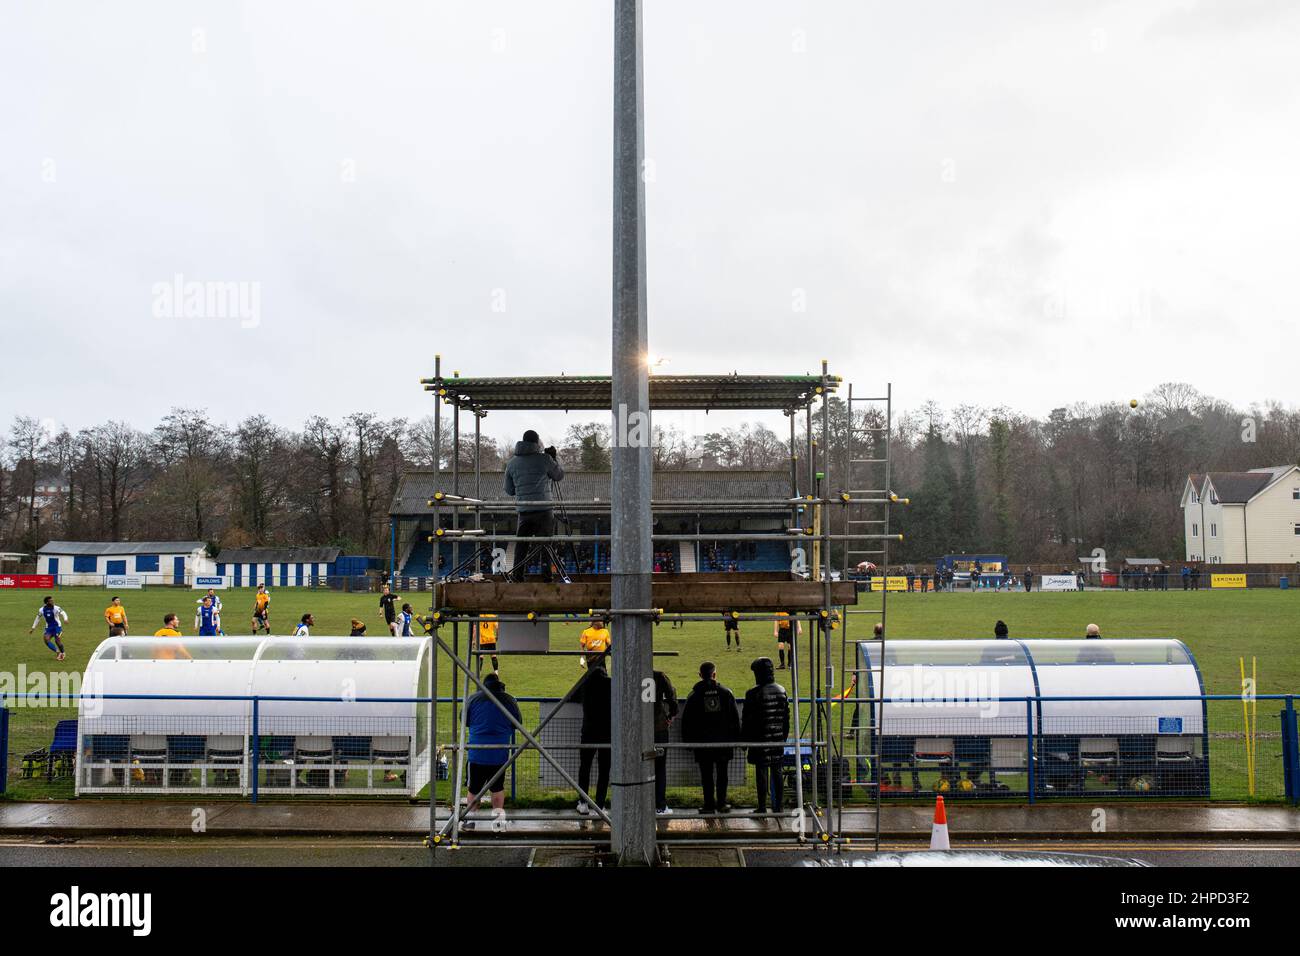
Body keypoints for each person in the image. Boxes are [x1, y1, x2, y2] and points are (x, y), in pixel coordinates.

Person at [461, 672, 523, 830]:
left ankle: (470, 820)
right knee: (497, 788)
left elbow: (464, 720)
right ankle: (498, 822)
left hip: (477, 752)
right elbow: (517, 722)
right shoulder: (509, 699)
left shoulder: (473, 699)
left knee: (473, 788)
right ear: (499, 684)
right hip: (499, 753)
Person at [503, 429, 565, 581]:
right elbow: (558, 476)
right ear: (536, 443)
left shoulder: (511, 463)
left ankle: (517, 577)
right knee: (545, 546)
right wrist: (553, 458)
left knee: (521, 547)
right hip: (544, 510)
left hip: (524, 512)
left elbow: (509, 490)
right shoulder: (544, 459)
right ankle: (546, 578)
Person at [681, 661, 741, 814]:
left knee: (706, 776)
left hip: (703, 744)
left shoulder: (694, 695)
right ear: (714, 674)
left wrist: (688, 742)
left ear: (700, 675)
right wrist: (737, 740)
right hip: (723, 743)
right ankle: (721, 804)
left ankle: (709, 805)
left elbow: (687, 721)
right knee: (722, 775)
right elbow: (735, 718)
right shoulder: (726, 693)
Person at [742, 657, 790, 815]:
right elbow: (786, 719)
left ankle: (762, 807)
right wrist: (783, 737)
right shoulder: (782, 690)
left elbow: (747, 721)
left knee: (761, 773)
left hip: (759, 739)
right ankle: (779, 807)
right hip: (777, 739)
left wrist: (745, 742)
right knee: (777, 771)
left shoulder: (752, 693)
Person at [574, 655, 612, 815]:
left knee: (585, 767)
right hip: (607, 732)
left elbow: (573, 697)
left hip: (588, 731)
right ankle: (600, 804)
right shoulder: (610, 683)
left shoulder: (585, 684)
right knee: (604, 770)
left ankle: (583, 802)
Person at [652, 669, 679, 815]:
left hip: (637, 729)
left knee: (638, 767)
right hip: (659, 728)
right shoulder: (659, 676)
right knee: (660, 767)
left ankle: (638, 802)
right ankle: (660, 806)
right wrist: (671, 715)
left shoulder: (631, 673)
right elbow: (672, 698)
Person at [29, 596, 68, 661]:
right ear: (47, 602)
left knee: (57, 640)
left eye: (53, 600)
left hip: (57, 627)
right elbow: (37, 618)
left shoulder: (56, 608)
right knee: (46, 639)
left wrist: (65, 619)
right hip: (49, 628)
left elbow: (63, 613)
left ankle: (63, 653)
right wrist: (33, 628)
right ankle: (58, 652)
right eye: (51, 601)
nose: (53, 601)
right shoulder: (41, 610)